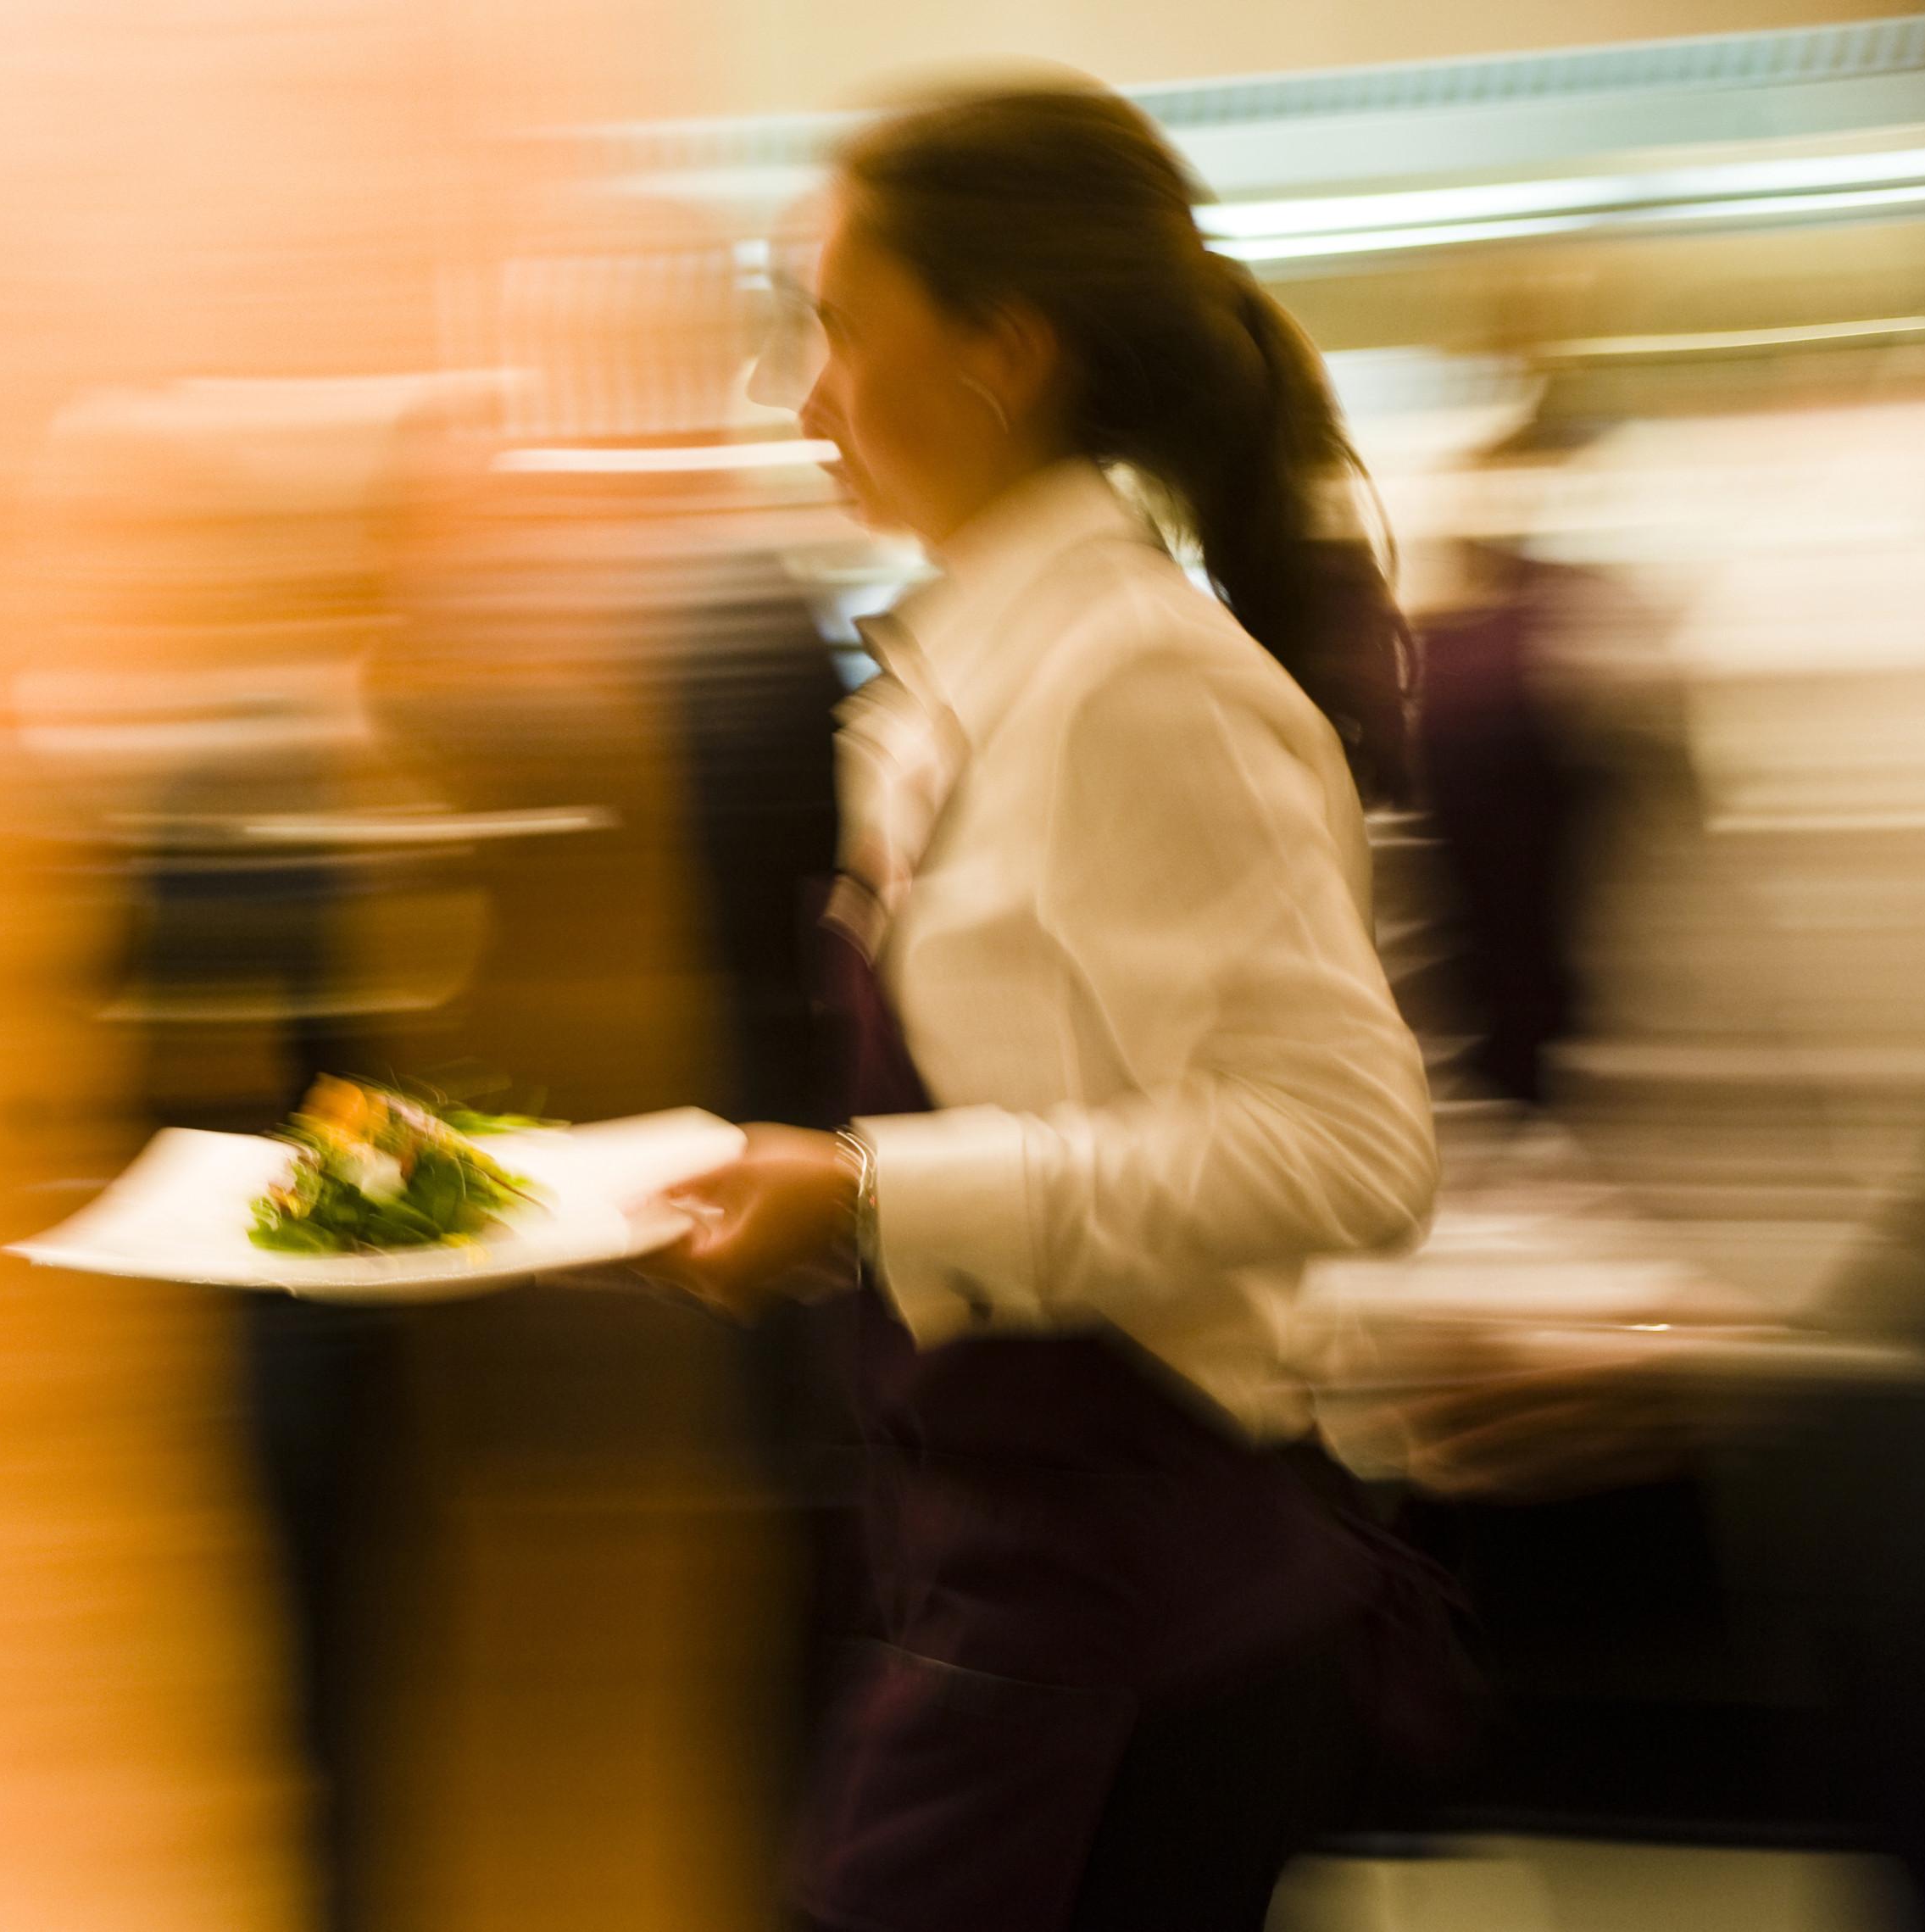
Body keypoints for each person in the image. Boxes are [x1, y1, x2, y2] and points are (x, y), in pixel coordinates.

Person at [648, 81, 1450, 1932]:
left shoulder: (1136, 680)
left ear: (1001, 351)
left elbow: (1350, 1149)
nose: (802, 394)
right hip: (1004, 1596)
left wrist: (869, 1196)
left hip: (1127, 1626)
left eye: (837, 327)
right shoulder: (968, 675)